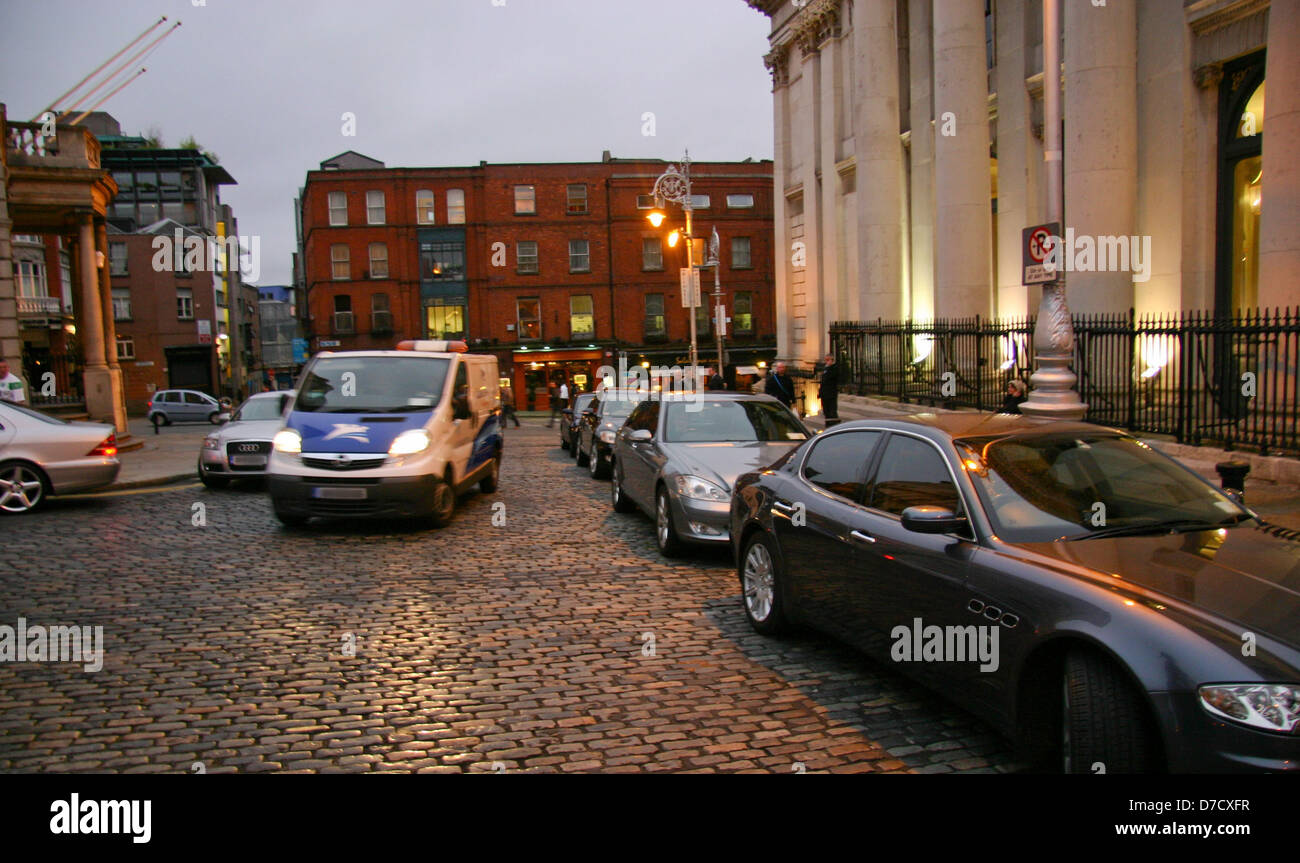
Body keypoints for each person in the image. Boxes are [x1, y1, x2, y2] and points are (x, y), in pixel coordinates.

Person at [818, 353, 839, 423]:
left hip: (831, 394)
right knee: (826, 411)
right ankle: (828, 424)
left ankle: (833, 424)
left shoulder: (834, 368)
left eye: (827, 360)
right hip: (824, 394)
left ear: (832, 360)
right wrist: (820, 393)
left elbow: (830, 378)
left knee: (832, 412)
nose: (826, 362)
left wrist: (828, 368)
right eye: (825, 360)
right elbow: (823, 381)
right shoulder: (825, 369)